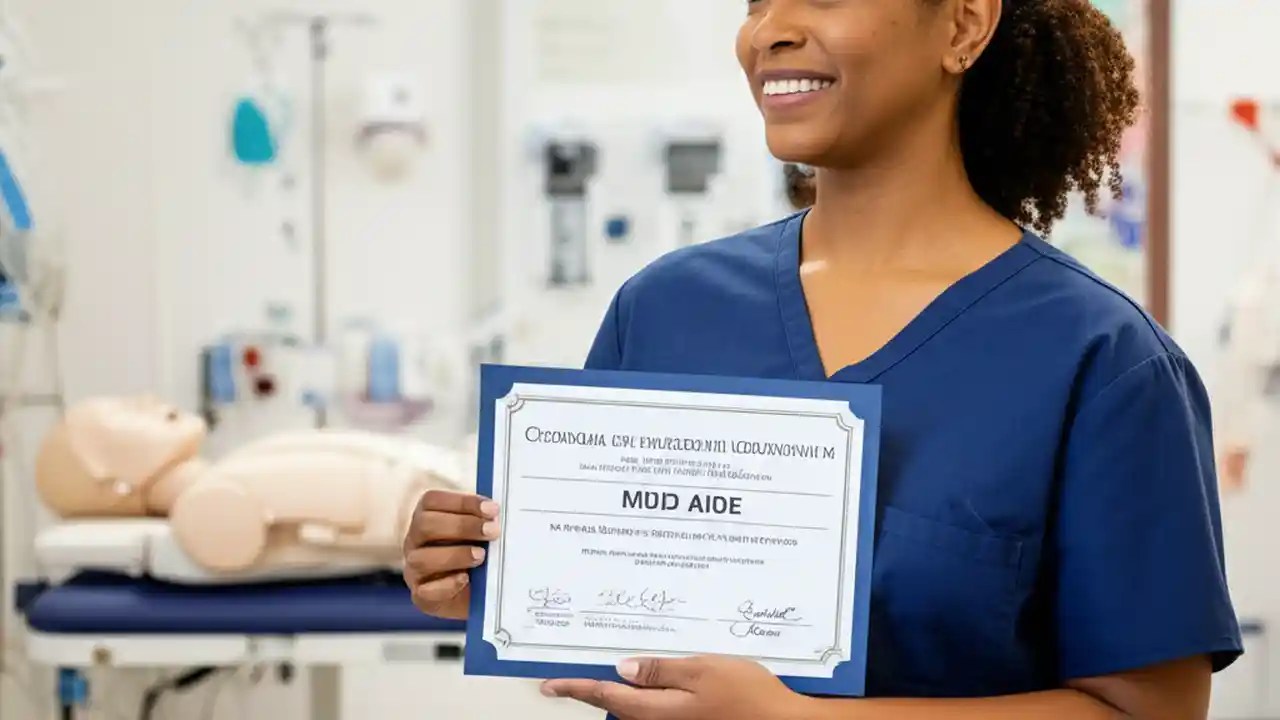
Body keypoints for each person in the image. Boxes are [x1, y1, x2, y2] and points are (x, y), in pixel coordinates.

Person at [403, 0, 1244, 717]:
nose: (771, 30)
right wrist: (487, 572)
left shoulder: (1103, 359)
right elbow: (607, 605)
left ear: (963, 23)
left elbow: (1151, 710)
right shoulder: (664, 310)